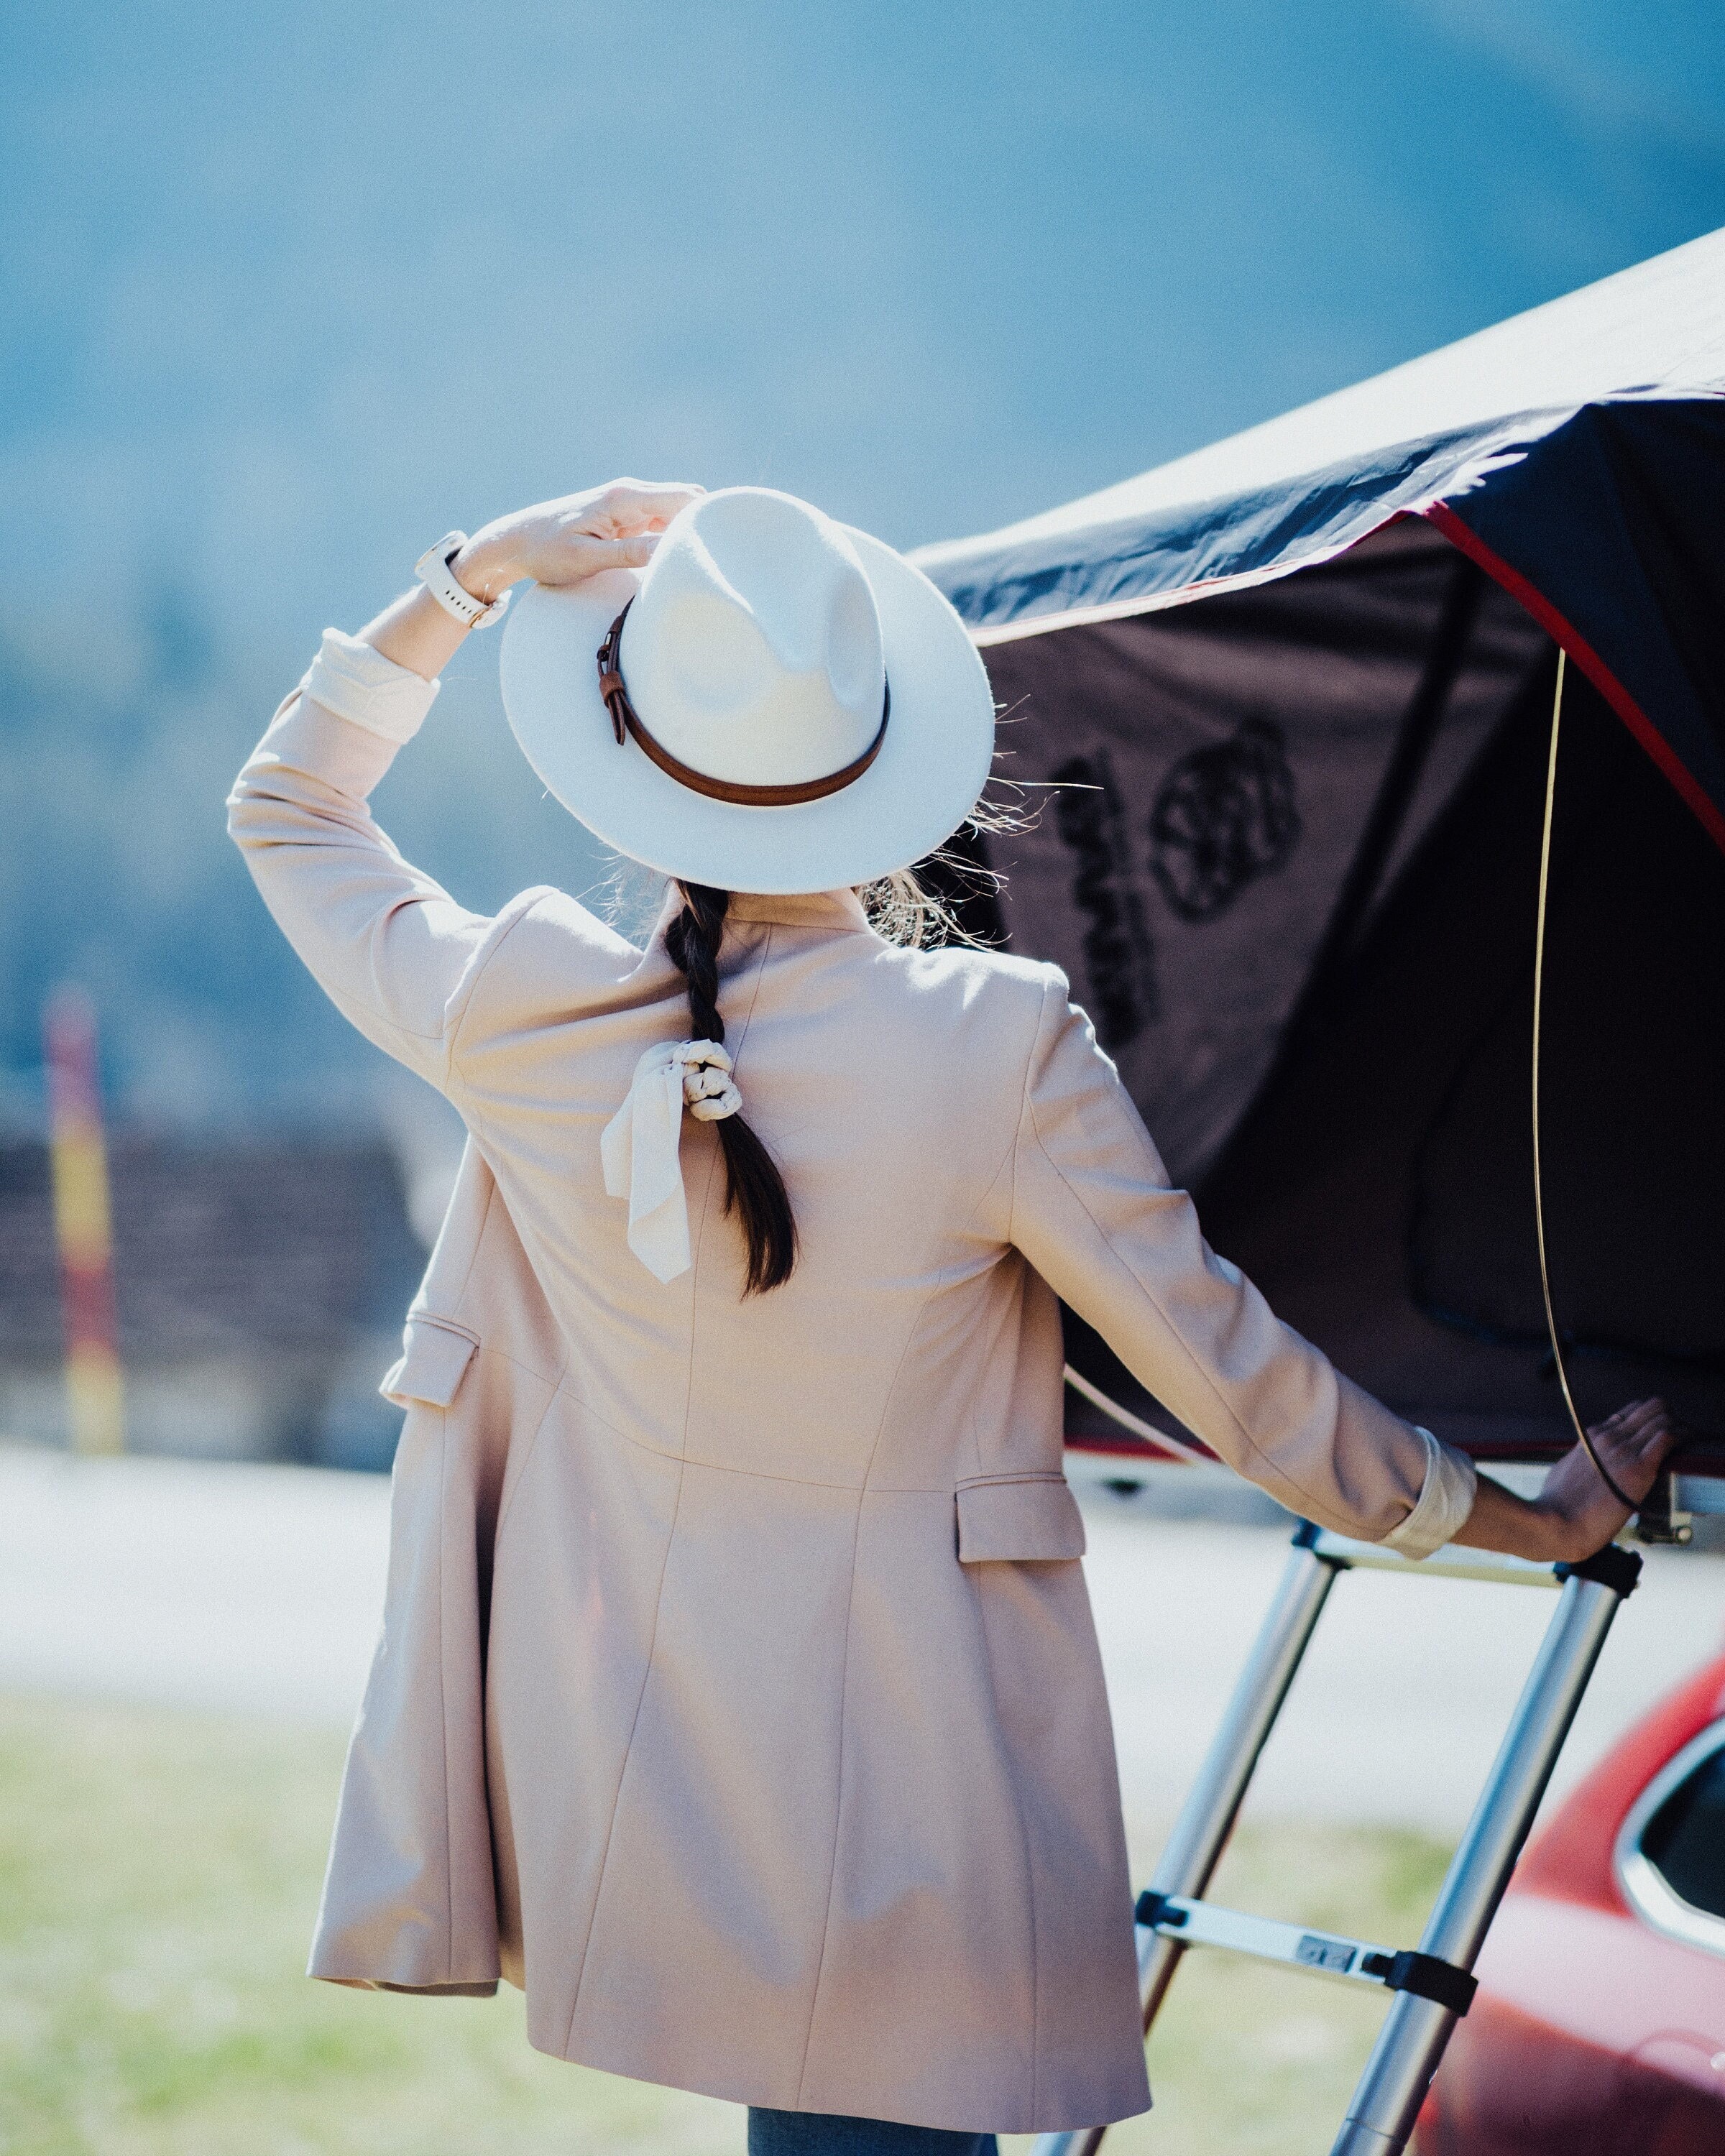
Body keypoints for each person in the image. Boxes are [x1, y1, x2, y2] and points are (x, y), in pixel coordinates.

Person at [229, 479, 1677, 2155]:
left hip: (650, 1785)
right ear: (881, 772)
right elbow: (1230, 1372)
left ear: (626, 769)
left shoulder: (519, 1014)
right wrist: (1505, 1513)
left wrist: (472, 575)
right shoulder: (996, 1045)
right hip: (916, 1793)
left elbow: (290, 807)